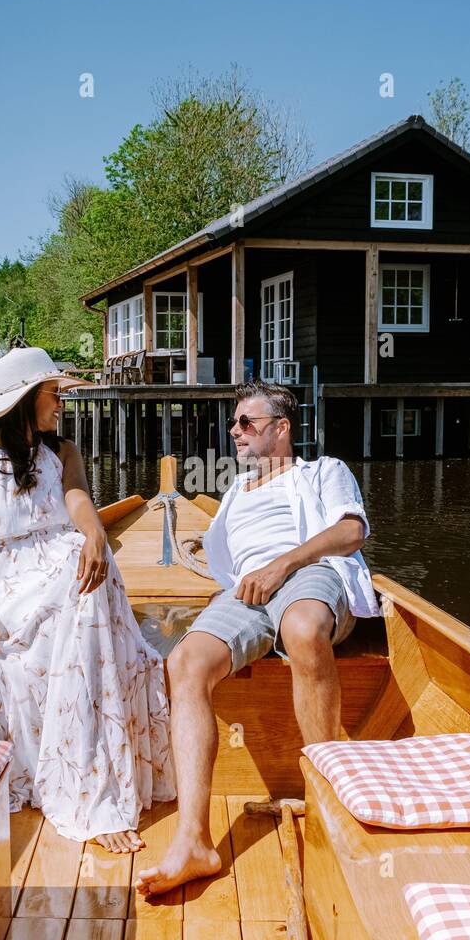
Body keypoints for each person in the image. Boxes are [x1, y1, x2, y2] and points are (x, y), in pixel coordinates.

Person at [136, 380, 376, 896]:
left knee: (303, 627)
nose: (235, 431)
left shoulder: (321, 471)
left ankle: (327, 803)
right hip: (247, 593)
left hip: (310, 573)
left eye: (248, 422)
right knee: (185, 662)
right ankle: (194, 841)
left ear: (282, 429)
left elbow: (352, 531)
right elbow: (229, 568)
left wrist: (281, 563)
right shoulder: (234, 495)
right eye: (234, 423)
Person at [0, 346, 175, 852]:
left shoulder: (64, 452)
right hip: (11, 582)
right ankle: (90, 785)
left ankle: (94, 780)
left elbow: (77, 501)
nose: (61, 405)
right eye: (54, 395)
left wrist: (95, 534)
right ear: (26, 399)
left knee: (85, 566)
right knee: (83, 590)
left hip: (64, 573)